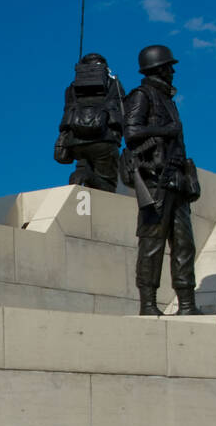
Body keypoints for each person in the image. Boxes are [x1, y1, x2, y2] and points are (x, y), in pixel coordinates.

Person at [123, 44, 200, 315]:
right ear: (158, 69)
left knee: (184, 244)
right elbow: (131, 132)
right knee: (152, 244)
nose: (173, 70)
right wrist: (166, 129)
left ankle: (187, 304)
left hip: (176, 179)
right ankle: (148, 305)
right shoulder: (142, 96)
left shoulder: (167, 99)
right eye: (169, 66)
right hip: (155, 180)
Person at [54, 53, 124, 192]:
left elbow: (67, 112)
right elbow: (122, 110)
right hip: (104, 141)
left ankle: (81, 174)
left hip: (76, 143)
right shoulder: (113, 83)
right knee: (108, 185)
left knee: (84, 169)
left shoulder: (72, 87)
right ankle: (85, 175)